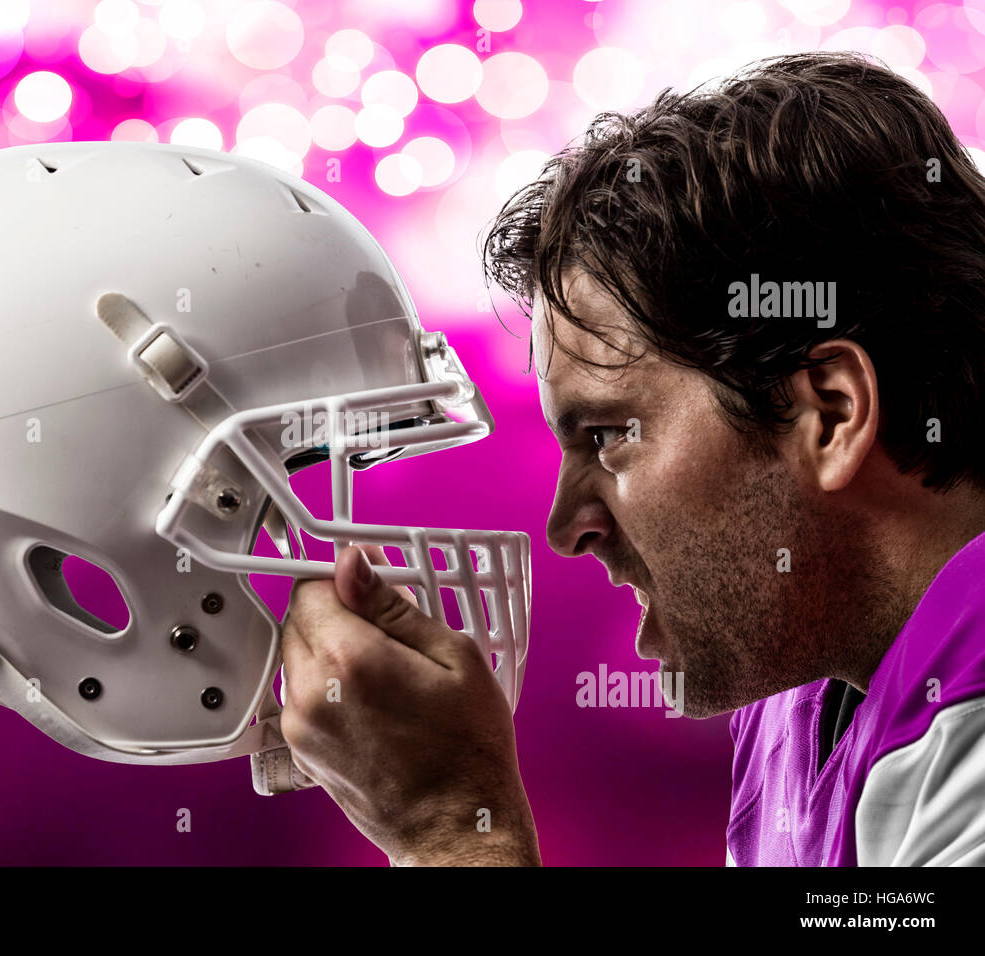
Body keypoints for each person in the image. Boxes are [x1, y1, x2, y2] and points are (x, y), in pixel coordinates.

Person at [279, 52, 985, 866]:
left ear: (828, 413)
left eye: (610, 435)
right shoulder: (812, 679)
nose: (564, 527)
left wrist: (451, 832)